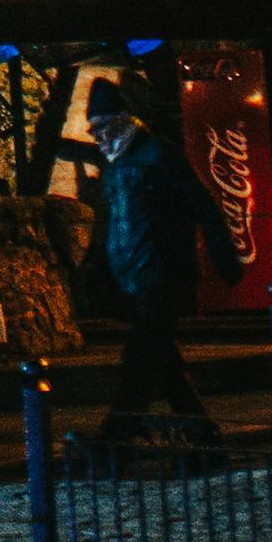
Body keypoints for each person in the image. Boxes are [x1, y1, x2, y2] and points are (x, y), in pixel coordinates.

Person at [86, 67, 241, 458]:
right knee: (161, 361)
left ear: (123, 122)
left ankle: (116, 435)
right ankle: (201, 435)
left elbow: (200, 204)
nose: (99, 137)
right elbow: (114, 225)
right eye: (94, 130)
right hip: (137, 276)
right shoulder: (116, 165)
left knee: (139, 358)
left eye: (104, 127)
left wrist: (223, 257)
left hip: (163, 273)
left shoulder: (156, 155)